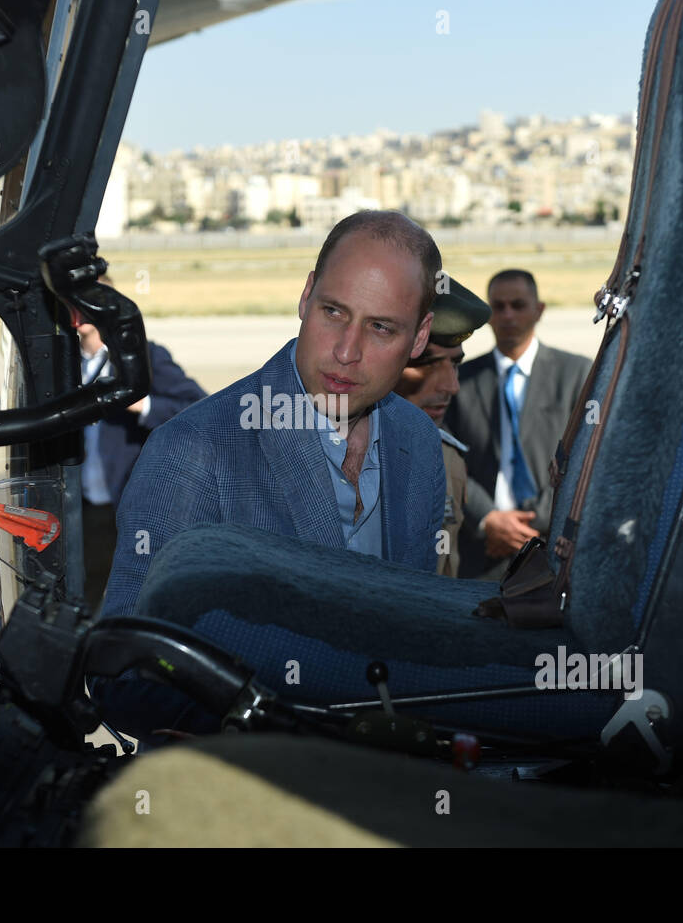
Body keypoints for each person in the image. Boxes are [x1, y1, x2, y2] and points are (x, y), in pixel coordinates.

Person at [101, 210, 447, 618]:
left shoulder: (419, 439)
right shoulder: (192, 451)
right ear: (306, 296)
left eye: (381, 328)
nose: (346, 352)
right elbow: (125, 664)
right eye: (333, 312)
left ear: (420, 336)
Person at [445, 269, 591, 580]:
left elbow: (588, 457)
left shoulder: (576, 374)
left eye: (518, 304)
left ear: (539, 310)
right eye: (498, 307)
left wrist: (536, 522)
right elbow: (444, 453)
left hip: (552, 550)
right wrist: (487, 518)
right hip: (480, 550)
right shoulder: (458, 379)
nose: (508, 314)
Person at [75, 274, 206, 610]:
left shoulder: (145, 356)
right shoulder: (63, 364)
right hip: (83, 509)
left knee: (141, 595)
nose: (79, 310)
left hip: (131, 505)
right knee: (80, 599)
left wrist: (141, 404)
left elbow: (197, 407)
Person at [391, 276, 490, 577]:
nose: (451, 386)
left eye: (455, 365)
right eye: (427, 365)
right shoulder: (329, 451)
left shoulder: (445, 457)